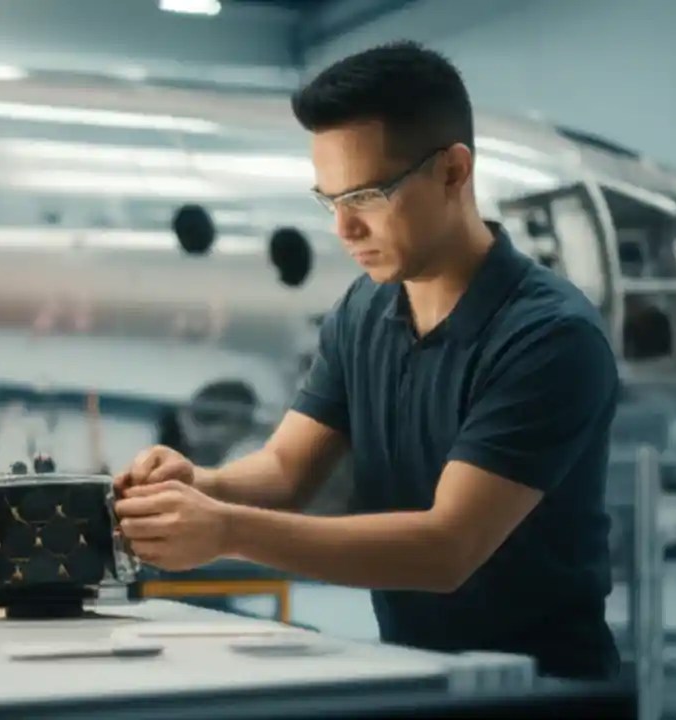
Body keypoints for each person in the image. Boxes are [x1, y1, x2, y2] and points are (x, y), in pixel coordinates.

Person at [112, 40, 622, 680]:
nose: (343, 231)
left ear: (453, 172)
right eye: (330, 201)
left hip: (544, 692)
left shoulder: (549, 336)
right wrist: (195, 486)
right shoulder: (365, 310)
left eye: (368, 197)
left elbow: (446, 548)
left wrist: (226, 531)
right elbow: (284, 469)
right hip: (415, 677)